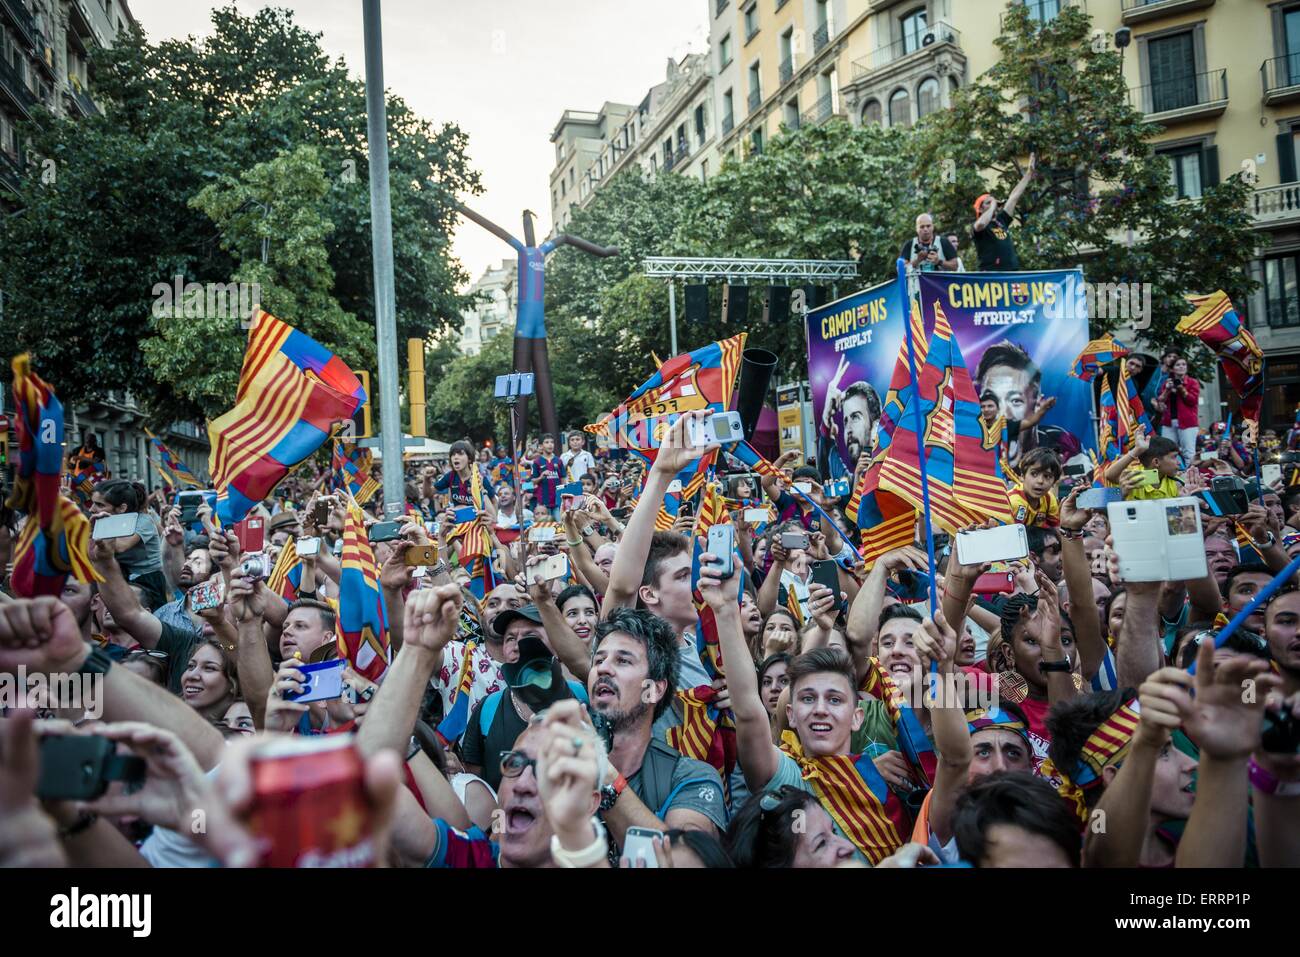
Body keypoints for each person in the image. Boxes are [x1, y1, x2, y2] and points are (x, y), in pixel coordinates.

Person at [974, 342, 1076, 464]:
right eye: (991, 401)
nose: (1003, 413)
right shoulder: (972, 438)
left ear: (1037, 403)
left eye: (1015, 401)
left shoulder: (1062, 445)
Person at [971, 152, 1035, 271]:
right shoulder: (980, 226)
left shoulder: (1001, 221)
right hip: (991, 276)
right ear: (980, 209)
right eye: (988, 203)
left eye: (994, 203)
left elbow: (1014, 197)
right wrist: (993, 205)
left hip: (1011, 274)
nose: (993, 205)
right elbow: (980, 224)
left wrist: (1028, 174)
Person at [1152, 355, 1201, 463]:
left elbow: (1192, 400)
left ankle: (1191, 476)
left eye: (1184, 364)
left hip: (1187, 422)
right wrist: (1167, 390)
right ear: (1172, 369)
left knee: (1188, 452)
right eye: (1178, 365)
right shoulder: (1167, 383)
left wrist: (1180, 387)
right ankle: (1170, 475)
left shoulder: (1193, 382)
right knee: (1166, 451)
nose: (1181, 367)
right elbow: (1161, 400)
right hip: (1169, 422)